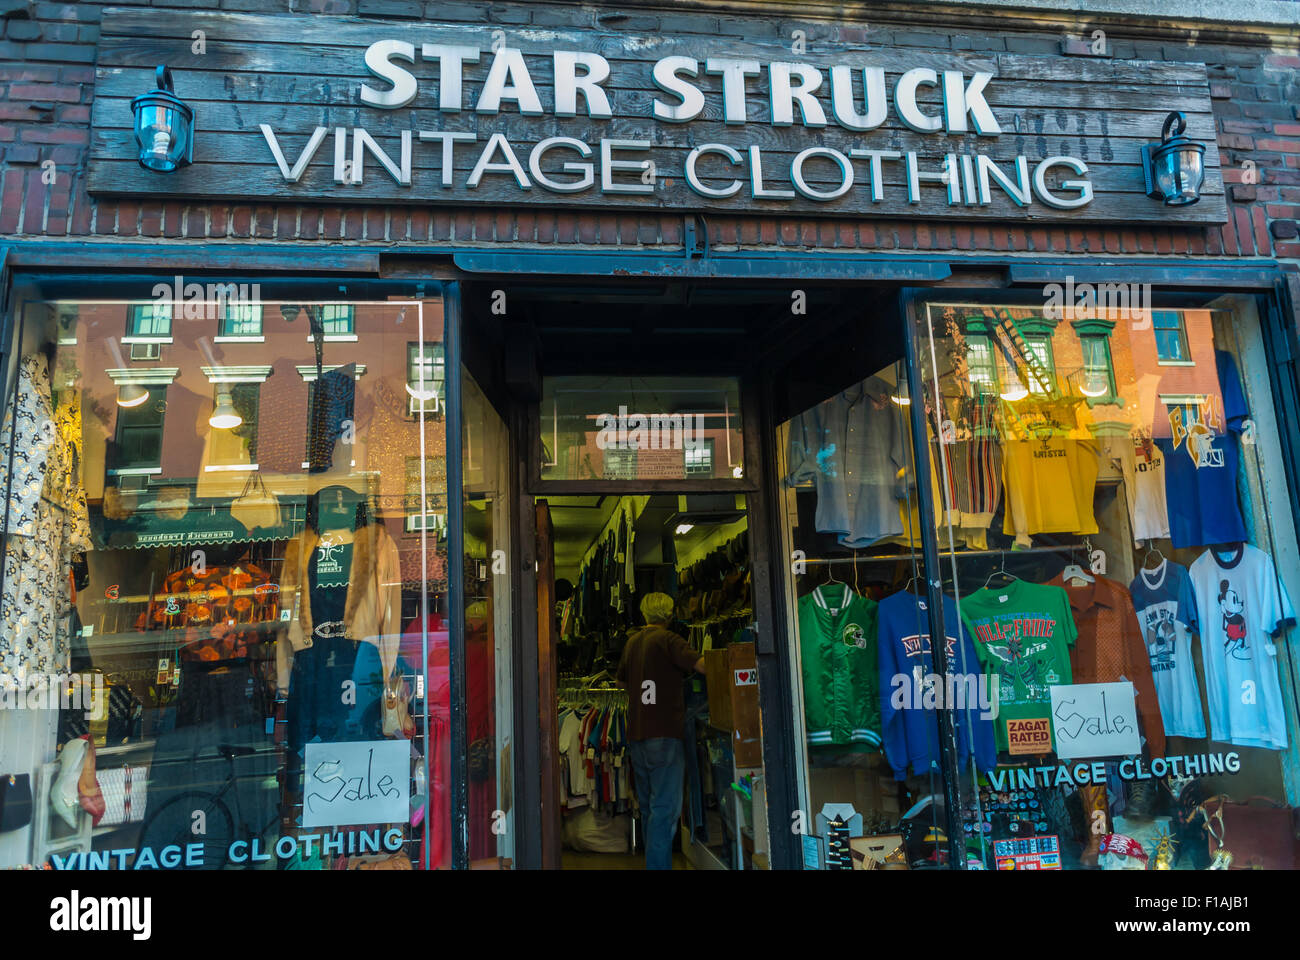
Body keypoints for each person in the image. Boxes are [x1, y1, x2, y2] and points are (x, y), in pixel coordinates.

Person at [616, 592, 705, 870]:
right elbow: (702, 665)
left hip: (638, 735)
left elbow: (621, 683)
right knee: (664, 812)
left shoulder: (632, 642)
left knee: (649, 809)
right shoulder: (669, 640)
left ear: (644, 613)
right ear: (668, 615)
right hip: (665, 733)